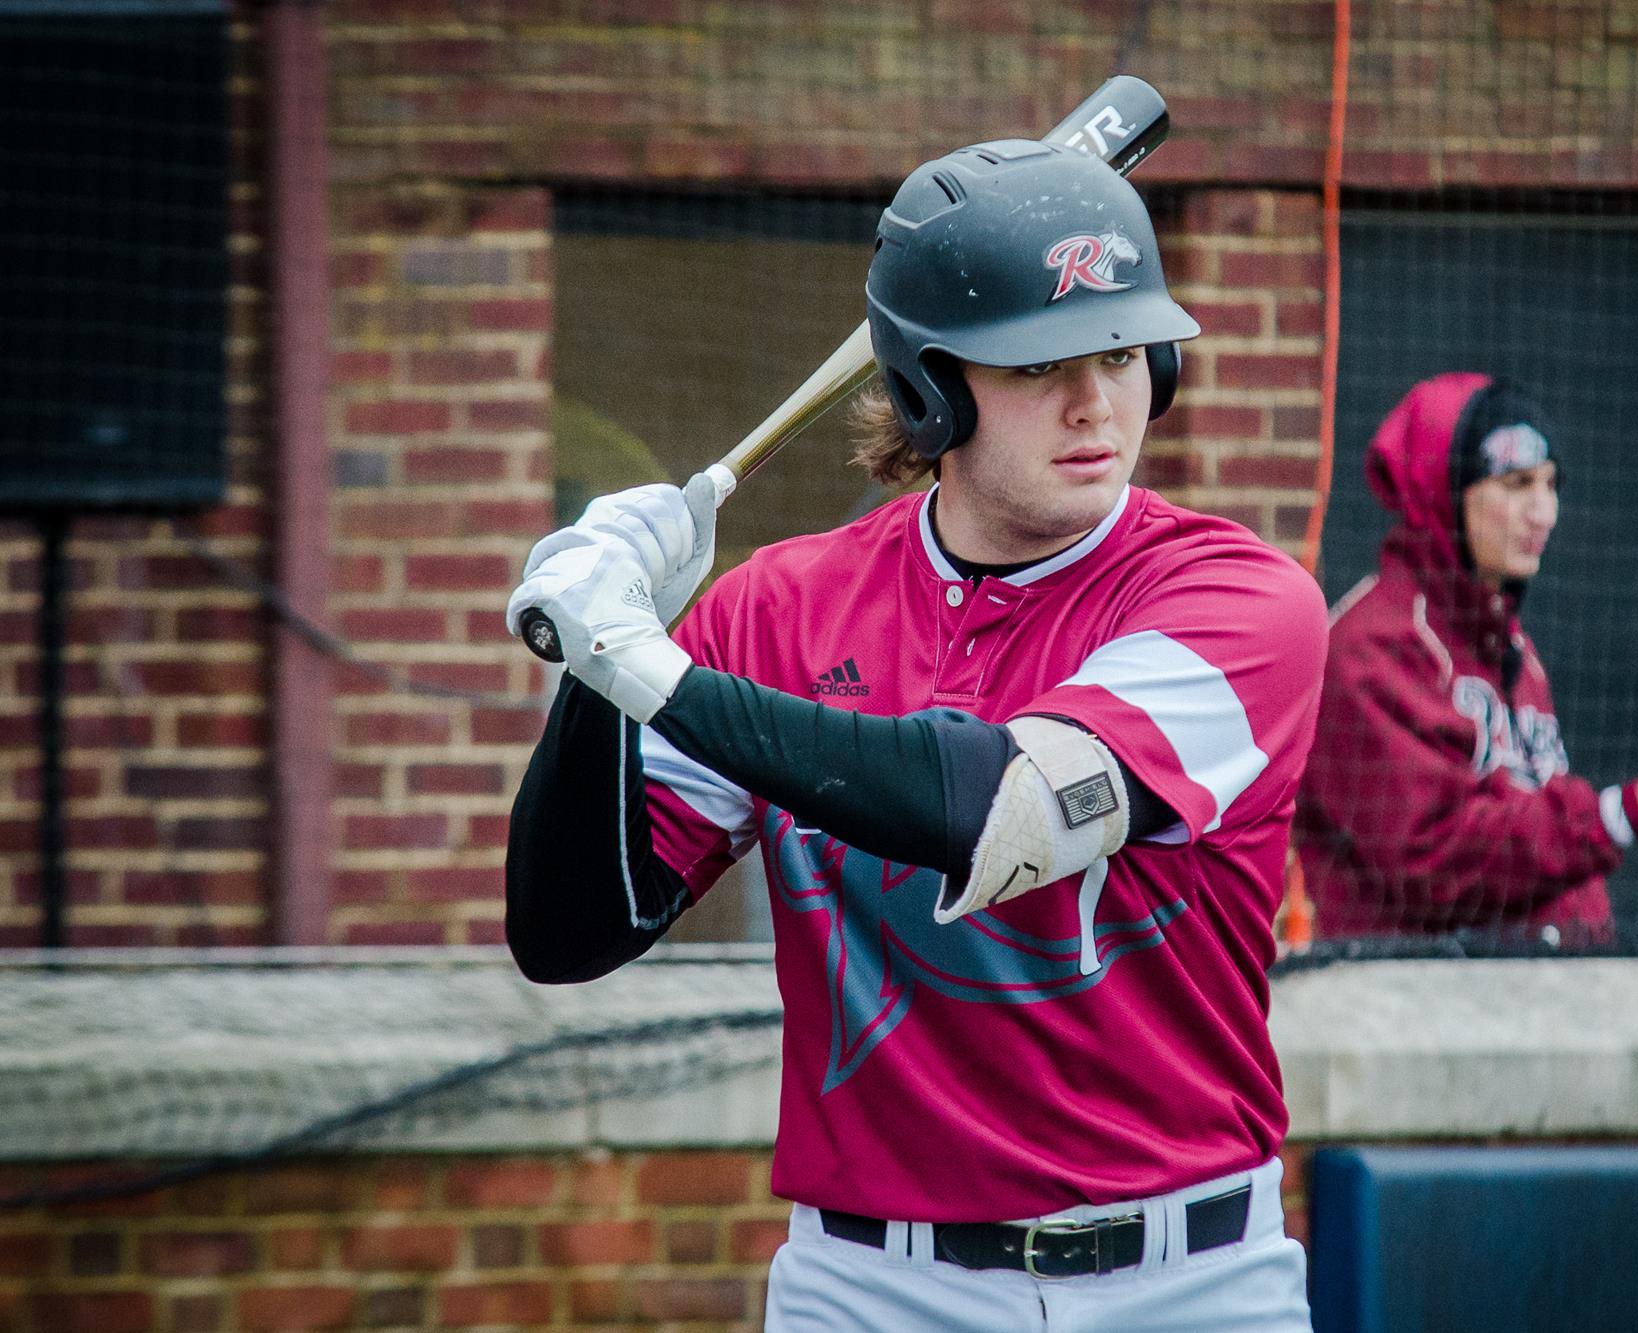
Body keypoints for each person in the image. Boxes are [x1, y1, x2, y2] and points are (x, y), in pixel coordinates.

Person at [503, 139, 1325, 1330]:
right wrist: (594, 666)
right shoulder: (771, 611)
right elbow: (567, 928)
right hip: (873, 1288)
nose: (1096, 400)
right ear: (928, 386)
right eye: (1040, 360)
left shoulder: (1238, 601)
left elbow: (1003, 813)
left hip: (1189, 1282)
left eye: (1121, 348)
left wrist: (651, 671)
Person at [1293, 372, 1638, 942]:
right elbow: (1434, 864)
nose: (1544, 513)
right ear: (1443, 490)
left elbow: (1534, 842)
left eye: (1551, 485)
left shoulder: (1513, 649)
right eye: (1517, 484)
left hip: (1537, 1006)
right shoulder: (1370, 650)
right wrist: (1621, 813)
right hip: (1419, 1015)